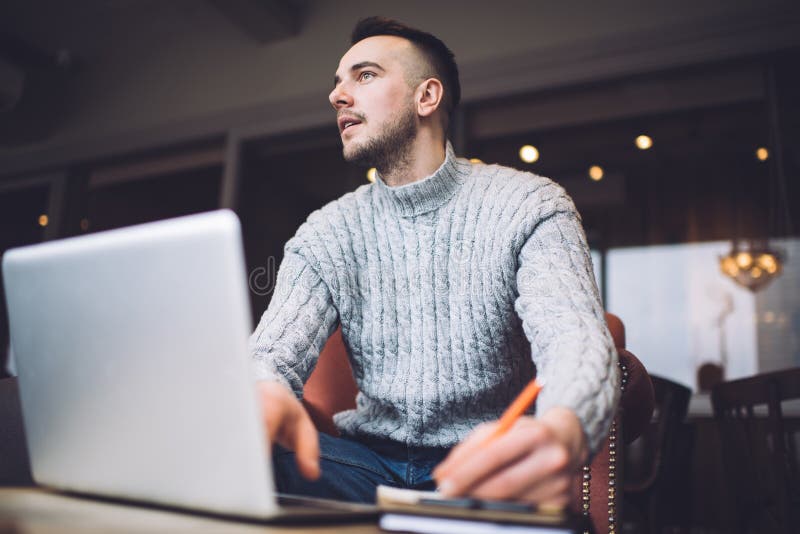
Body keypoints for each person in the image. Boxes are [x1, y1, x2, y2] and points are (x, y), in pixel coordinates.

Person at [250, 16, 619, 508]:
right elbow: (269, 356)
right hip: (364, 466)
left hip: (483, 464)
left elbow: (574, 337)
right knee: (245, 455)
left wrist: (562, 428)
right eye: (337, 83)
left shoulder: (531, 204)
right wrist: (262, 388)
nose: (337, 96)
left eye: (364, 76)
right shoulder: (324, 232)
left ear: (427, 97)